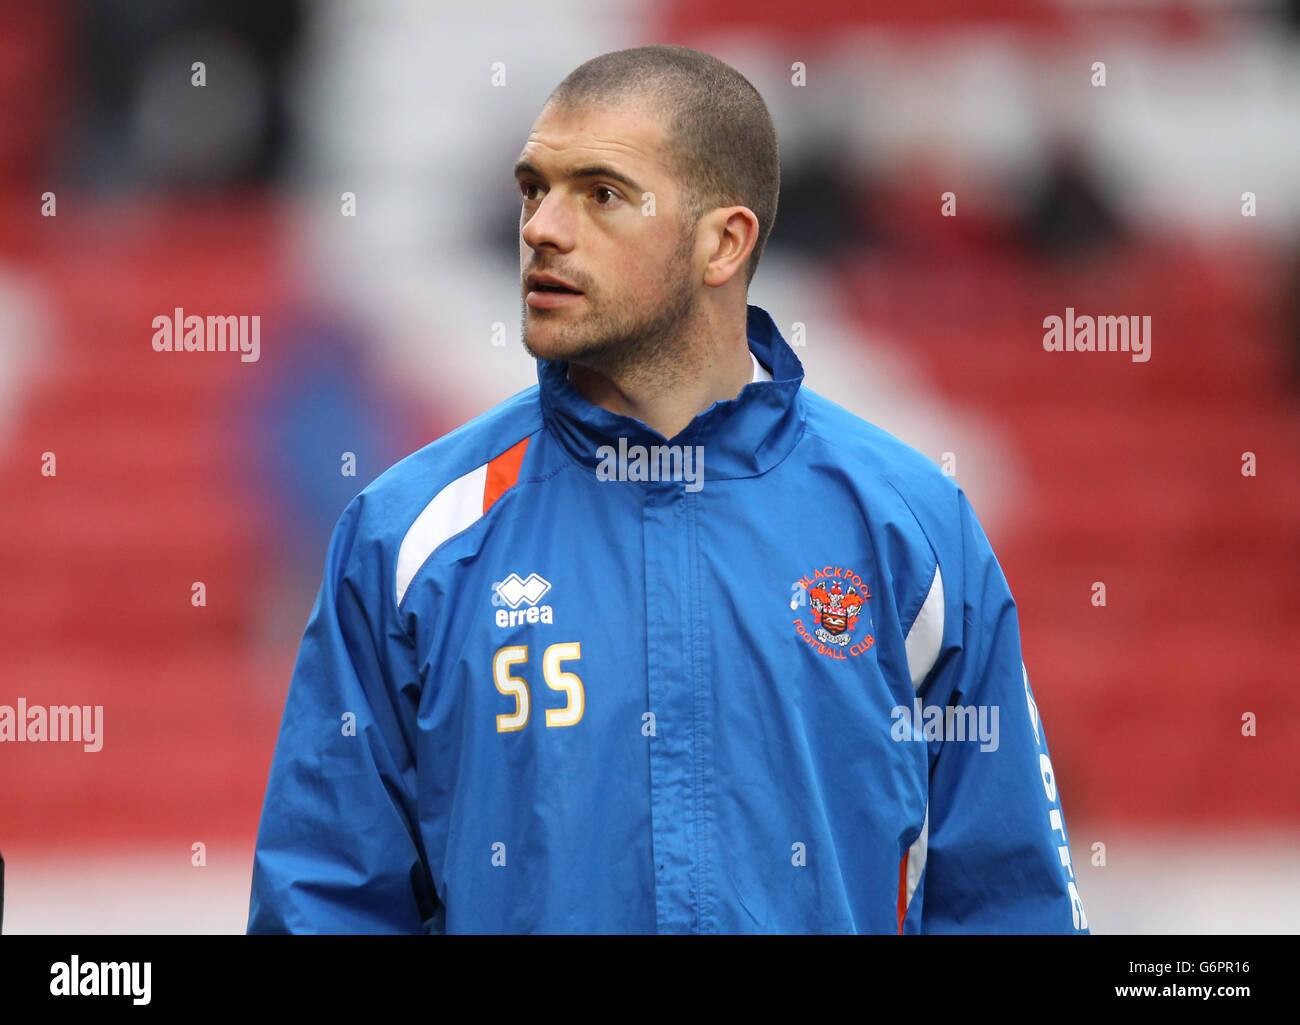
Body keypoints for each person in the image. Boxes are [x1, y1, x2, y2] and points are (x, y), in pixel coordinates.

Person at [246, 44, 1089, 934]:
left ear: (722, 241)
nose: (541, 228)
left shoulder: (911, 529)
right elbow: (326, 903)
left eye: (600, 194)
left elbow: (1007, 900)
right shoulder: (407, 537)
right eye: (535, 188)